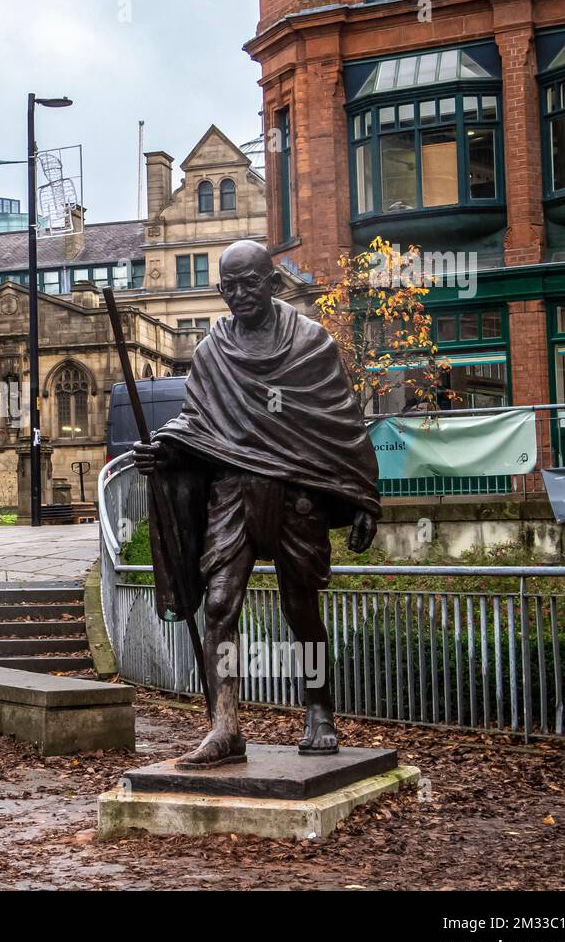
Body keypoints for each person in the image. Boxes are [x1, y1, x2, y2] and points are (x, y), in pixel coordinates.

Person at [132, 240, 380, 768]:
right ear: (220, 290)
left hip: (297, 497)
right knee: (220, 605)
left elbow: (342, 425)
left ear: (271, 282)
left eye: (251, 282)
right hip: (232, 493)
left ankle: (318, 710)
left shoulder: (312, 343)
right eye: (230, 286)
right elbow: (197, 426)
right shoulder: (209, 355)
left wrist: (363, 498)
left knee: (301, 608)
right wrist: (164, 454)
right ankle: (225, 725)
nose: (241, 294)